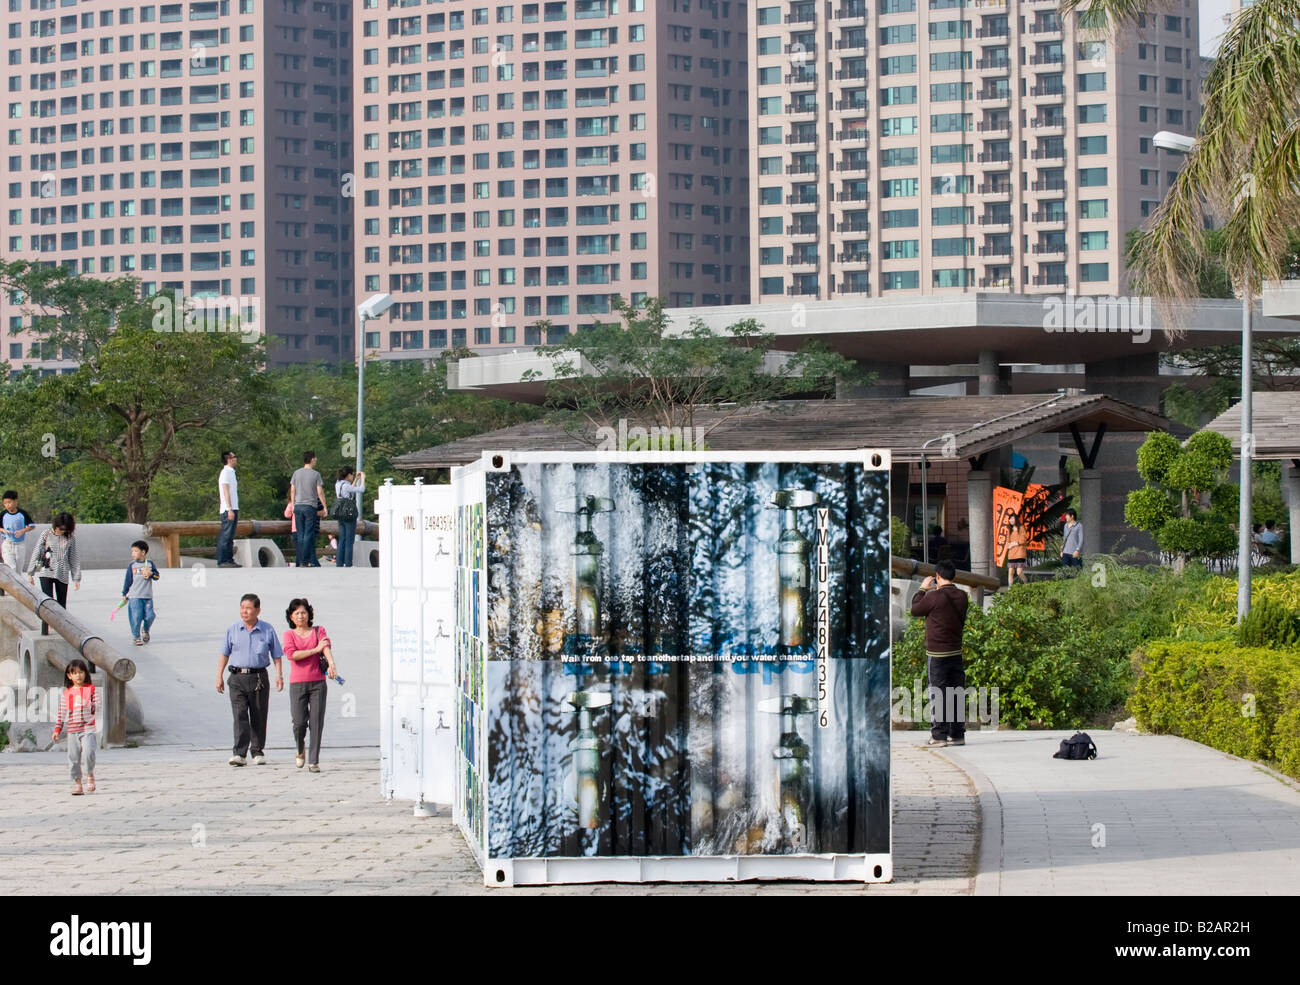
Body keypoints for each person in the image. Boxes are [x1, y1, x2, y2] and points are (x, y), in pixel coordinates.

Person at [216, 593, 284, 766]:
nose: (244, 612)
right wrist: (219, 676)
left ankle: (257, 750)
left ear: (257, 610)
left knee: (258, 714)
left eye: (248, 608)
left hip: (258, 677)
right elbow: (225, 653)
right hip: (237, 677)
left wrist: (279, 675)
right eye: (242, 608)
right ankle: (239, 753)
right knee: (239, 715)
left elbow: (276, 655)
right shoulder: (233, 629)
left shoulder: (267, 629)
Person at [910, 561, 970, 747]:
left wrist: (922, 589)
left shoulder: (934, 597)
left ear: (937, 576)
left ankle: (938, 736)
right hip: (955, 652)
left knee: (938, 694)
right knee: (956, 693)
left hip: (936, 654)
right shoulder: (962, 596)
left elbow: (915, 609)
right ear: (953, 576)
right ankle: (957, 734)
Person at [282, 597, 338, 772]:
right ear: (291, 616)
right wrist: (315, 649)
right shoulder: (288, 635)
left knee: (316, 722)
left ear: (309, 614)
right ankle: (300, 750)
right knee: (298, 723)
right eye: (297, 613)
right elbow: (293, 655)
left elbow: (326, 646)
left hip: (317, 683)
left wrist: (331, 664)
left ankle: (314, 760)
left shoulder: (318, 630)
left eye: (303, 612)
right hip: (298, 683)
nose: (300, 616)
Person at [51, 658, 97, 796]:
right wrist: (57, 729)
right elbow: (61, 713)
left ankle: (90, 774)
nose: (79, 675)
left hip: (88, 729)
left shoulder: (91, 689)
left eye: (81, 672)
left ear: (85, 673)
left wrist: (89, 704)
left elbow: (98, 707)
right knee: (73, 758)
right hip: (73, 730)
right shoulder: (67, 694)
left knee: (89, 752)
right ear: (69, 676)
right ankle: (77, 783)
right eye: (75, 673)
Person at [25, 511, 81, 607]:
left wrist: (76, 578)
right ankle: (45, 622)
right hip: (46, 572)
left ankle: (61, 623)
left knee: (61, 605)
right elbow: (37, 552)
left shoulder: (70, 538)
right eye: (60, 528)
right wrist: (30, 573)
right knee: (47, 604)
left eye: (64, 529)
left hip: (62, 573)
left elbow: (73, 558)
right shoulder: (46, 534)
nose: (60, 531)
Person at [287, 451, 327, 567]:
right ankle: (305, 560)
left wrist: (294, 504)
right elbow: (319, 492)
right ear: (312, 459)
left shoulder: (296, 473)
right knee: (308, 533)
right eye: (315, 458)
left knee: (300, 533)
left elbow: (293, 490)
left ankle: (300, 560)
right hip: (310, 506)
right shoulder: (316, 474)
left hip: (298, 506)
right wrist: (324, 506)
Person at [121, 540, 161, 646]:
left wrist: (151, 573)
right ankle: (136, 636)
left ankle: (145, 629)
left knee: (150, 616)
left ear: (143, 552)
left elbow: (157, 577)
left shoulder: (150, 564)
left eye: (135, 551)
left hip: (147, 597)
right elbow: (128, 580)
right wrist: (124, 593)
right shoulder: (132, 566)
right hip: (134, 597)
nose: (132, 553)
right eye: (132, 551)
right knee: (136, 617)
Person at [333, 467, 366, 568]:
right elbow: (361, 489)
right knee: (349, 540)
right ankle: (348, 563)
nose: (352, 476)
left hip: (340, 514)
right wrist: (363, 479)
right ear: (348, 475)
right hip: (349, 514)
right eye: (352, 474)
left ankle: (339, 562)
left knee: (342, 539)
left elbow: (349, 490)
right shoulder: (346, 486)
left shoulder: (338, 484)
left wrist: (356, 479)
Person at [217, 450, 241, 568]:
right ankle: (223, 560)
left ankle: (229, 559)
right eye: (234, 457)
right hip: (228, 509)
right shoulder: (225, 472)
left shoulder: (231, 472)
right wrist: (230, 509)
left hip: (234, 507)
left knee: (230, 535)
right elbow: (225, 491)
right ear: (229, 459)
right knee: (226, 535)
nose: (236, 459)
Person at [1, 491, 35, 571]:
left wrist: (22, 531)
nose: (7, 505)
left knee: (18, 570)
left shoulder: (22, 514)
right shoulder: (3, 514)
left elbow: (32, 526)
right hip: (7, 544)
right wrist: (3, 530)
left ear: (15, 501)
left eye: (9, 502)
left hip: (20, 544)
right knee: (11, 568)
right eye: (5, 503)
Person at [1006, 512, 1029, 585]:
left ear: (1016, 519)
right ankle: (1010, 590)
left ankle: (1026, 582)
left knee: (1019, 572)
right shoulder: (1009, 529)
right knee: (1010, 572)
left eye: (1012, 518)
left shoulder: (1021, 527)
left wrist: (1015, 543)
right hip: (1012, 553)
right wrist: (1009, 545)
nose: (1011, 520)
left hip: (1020, 552)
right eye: (1010, 519)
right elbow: (1007, 541)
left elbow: (1024, 539)